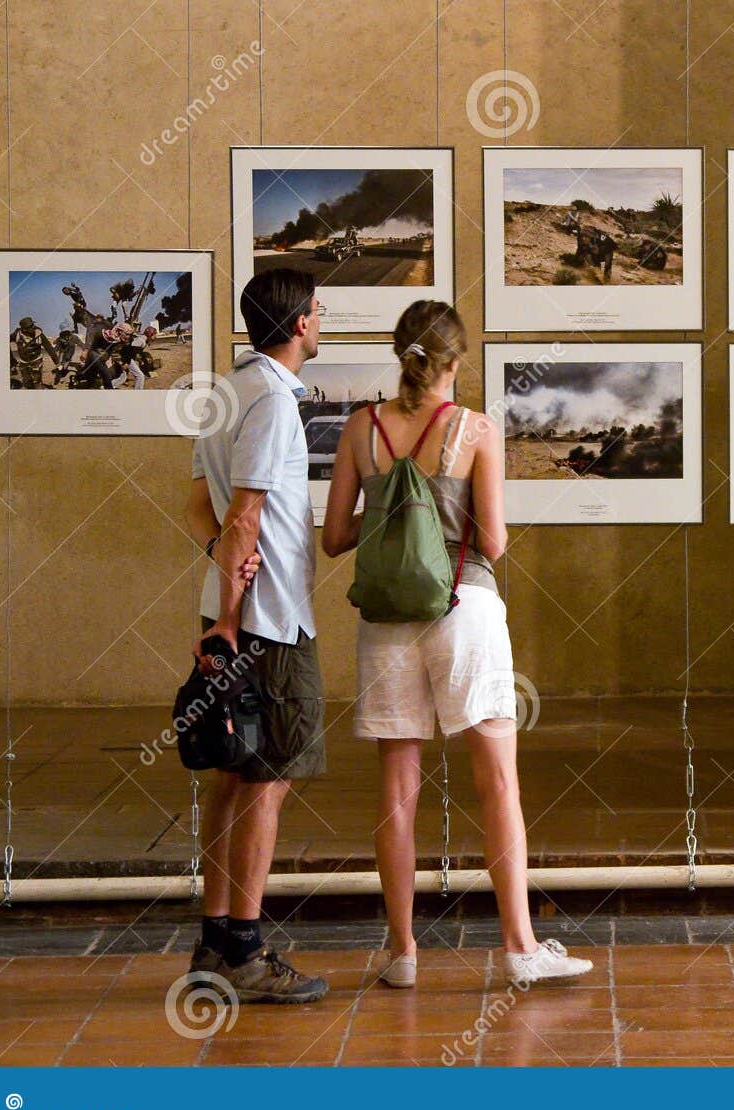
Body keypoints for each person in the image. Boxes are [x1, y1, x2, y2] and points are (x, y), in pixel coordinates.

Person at [321, 300, 593, 988]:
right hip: (463, 604)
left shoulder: (362, 428)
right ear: (456, 361)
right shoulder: (476, 430)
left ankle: (404, 952)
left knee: (397, 789)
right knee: (497, 779)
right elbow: (494, 541)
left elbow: (334, 538)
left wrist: (392, 511)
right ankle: (521, 946)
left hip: (386, 618)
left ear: (400, 354)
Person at [183, 268, 330, 1004]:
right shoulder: (272, 399)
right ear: (301, 322)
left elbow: (195, 504)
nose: (321, 317)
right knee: (268, 780)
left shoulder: (226, 391)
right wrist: (234, 626)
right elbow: (245, 514)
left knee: (233, 776)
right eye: (317, 310)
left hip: (234, 609)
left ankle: (213, 941)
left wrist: (218, 600)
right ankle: (244, 945)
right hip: (266, 621)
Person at [10, 317, 57, 390]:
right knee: (27, 383)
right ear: (24, 329)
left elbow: (49, 348)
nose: (33, 327)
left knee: (37, 382)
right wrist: (11, 360)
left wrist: (57, 362)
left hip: (36, 361)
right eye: (30, 326)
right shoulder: (17, 334)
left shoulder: (39, 334)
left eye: (33, 325)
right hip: (23, 362)